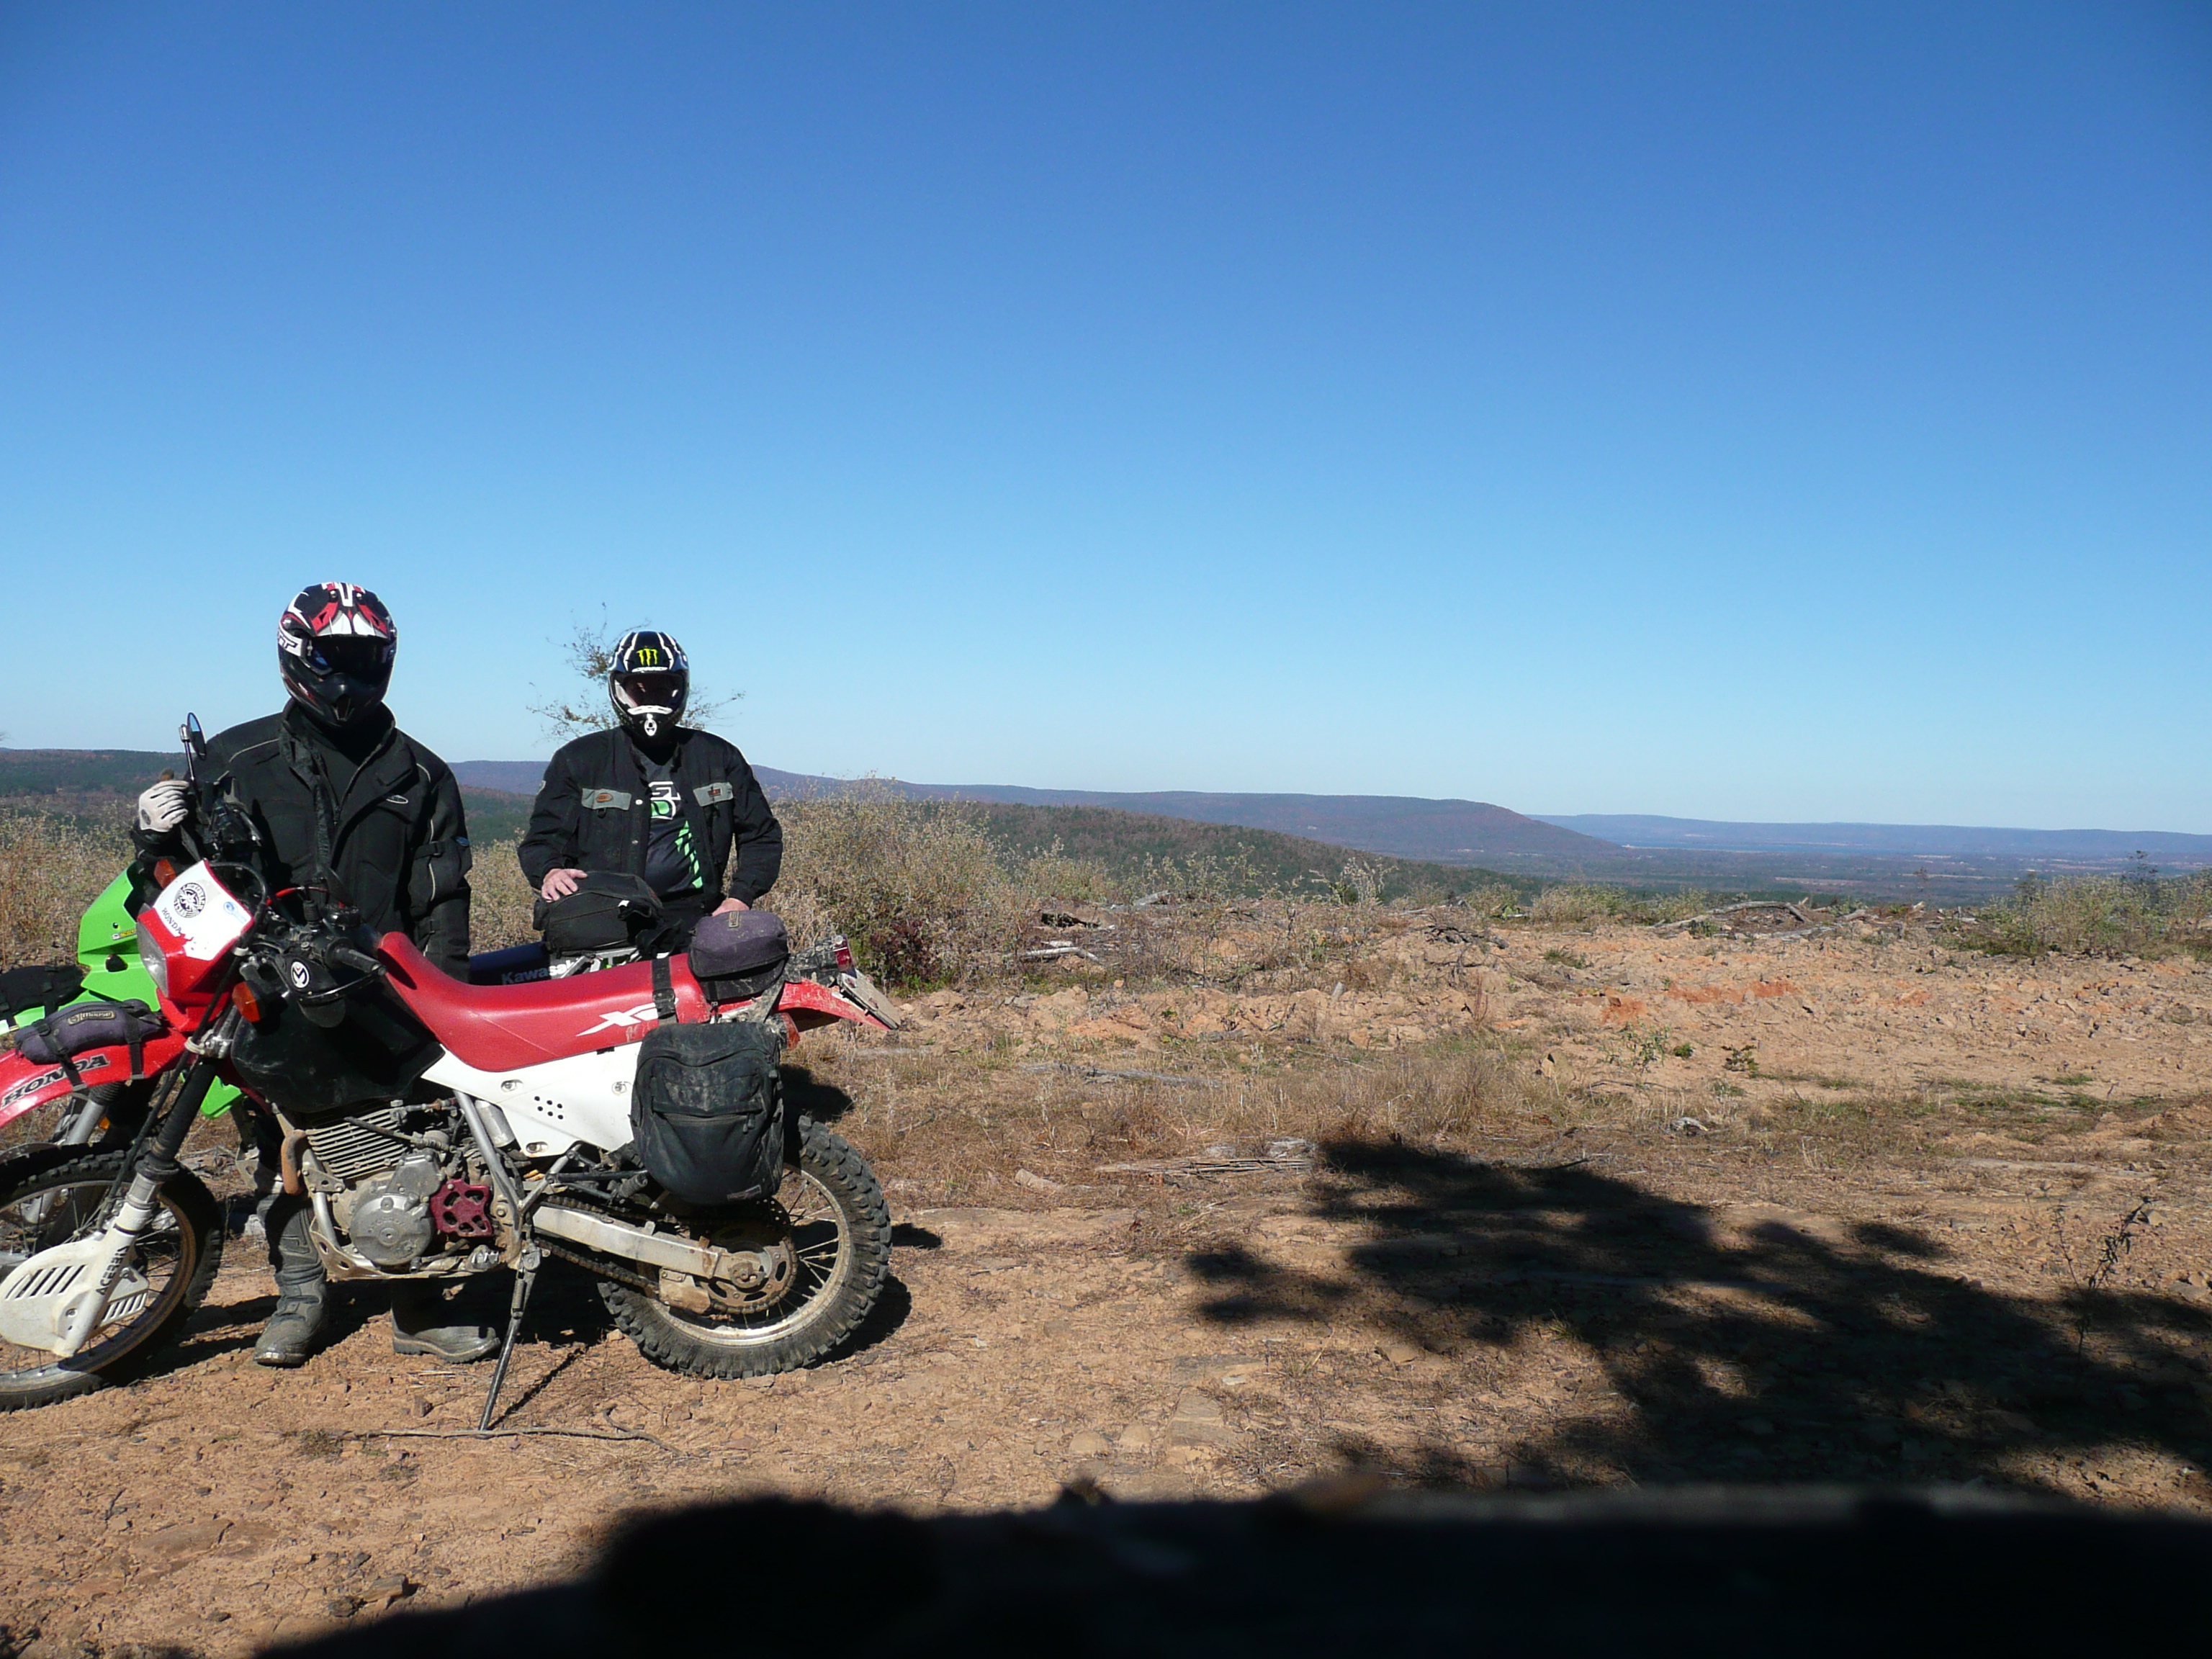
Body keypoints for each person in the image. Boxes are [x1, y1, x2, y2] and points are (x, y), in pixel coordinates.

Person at [134, 582, 497, 1369]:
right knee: (281, 1151)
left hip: (388, 989)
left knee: (418, 1145)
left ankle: (419, 1307)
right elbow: (176, 884)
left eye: (366, 658)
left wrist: (449, 1000)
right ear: (299, 654)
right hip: (263, 985)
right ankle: (301, 1296)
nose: (350, 674)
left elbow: (445, 897)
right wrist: (150, 838)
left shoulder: (422, 773)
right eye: (335, 657)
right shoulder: (238, 757)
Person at [520, 630, 782, 948]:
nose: (650, 697)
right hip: (604, 920)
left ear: (679, 689)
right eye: (639, 689)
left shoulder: (718, 757)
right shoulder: (579, 760)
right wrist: (550, 872)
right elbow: (541, 840)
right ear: (621, 690)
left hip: (698, 919)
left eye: (661, 688)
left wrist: (741, 897)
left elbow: (761, 835)